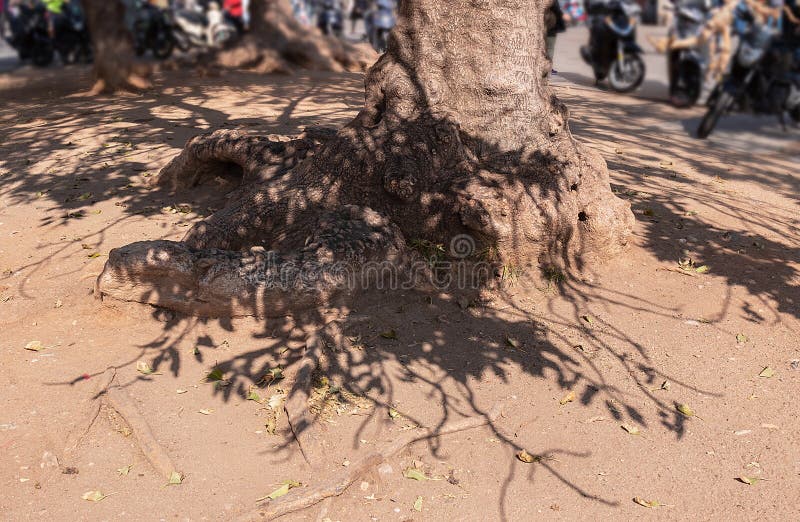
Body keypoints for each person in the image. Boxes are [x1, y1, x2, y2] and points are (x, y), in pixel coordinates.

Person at [545, 0, 567, 74]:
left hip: (539, 25)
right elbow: (557, 10)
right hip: (550, 25)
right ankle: (548, 68)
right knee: (550, 48)